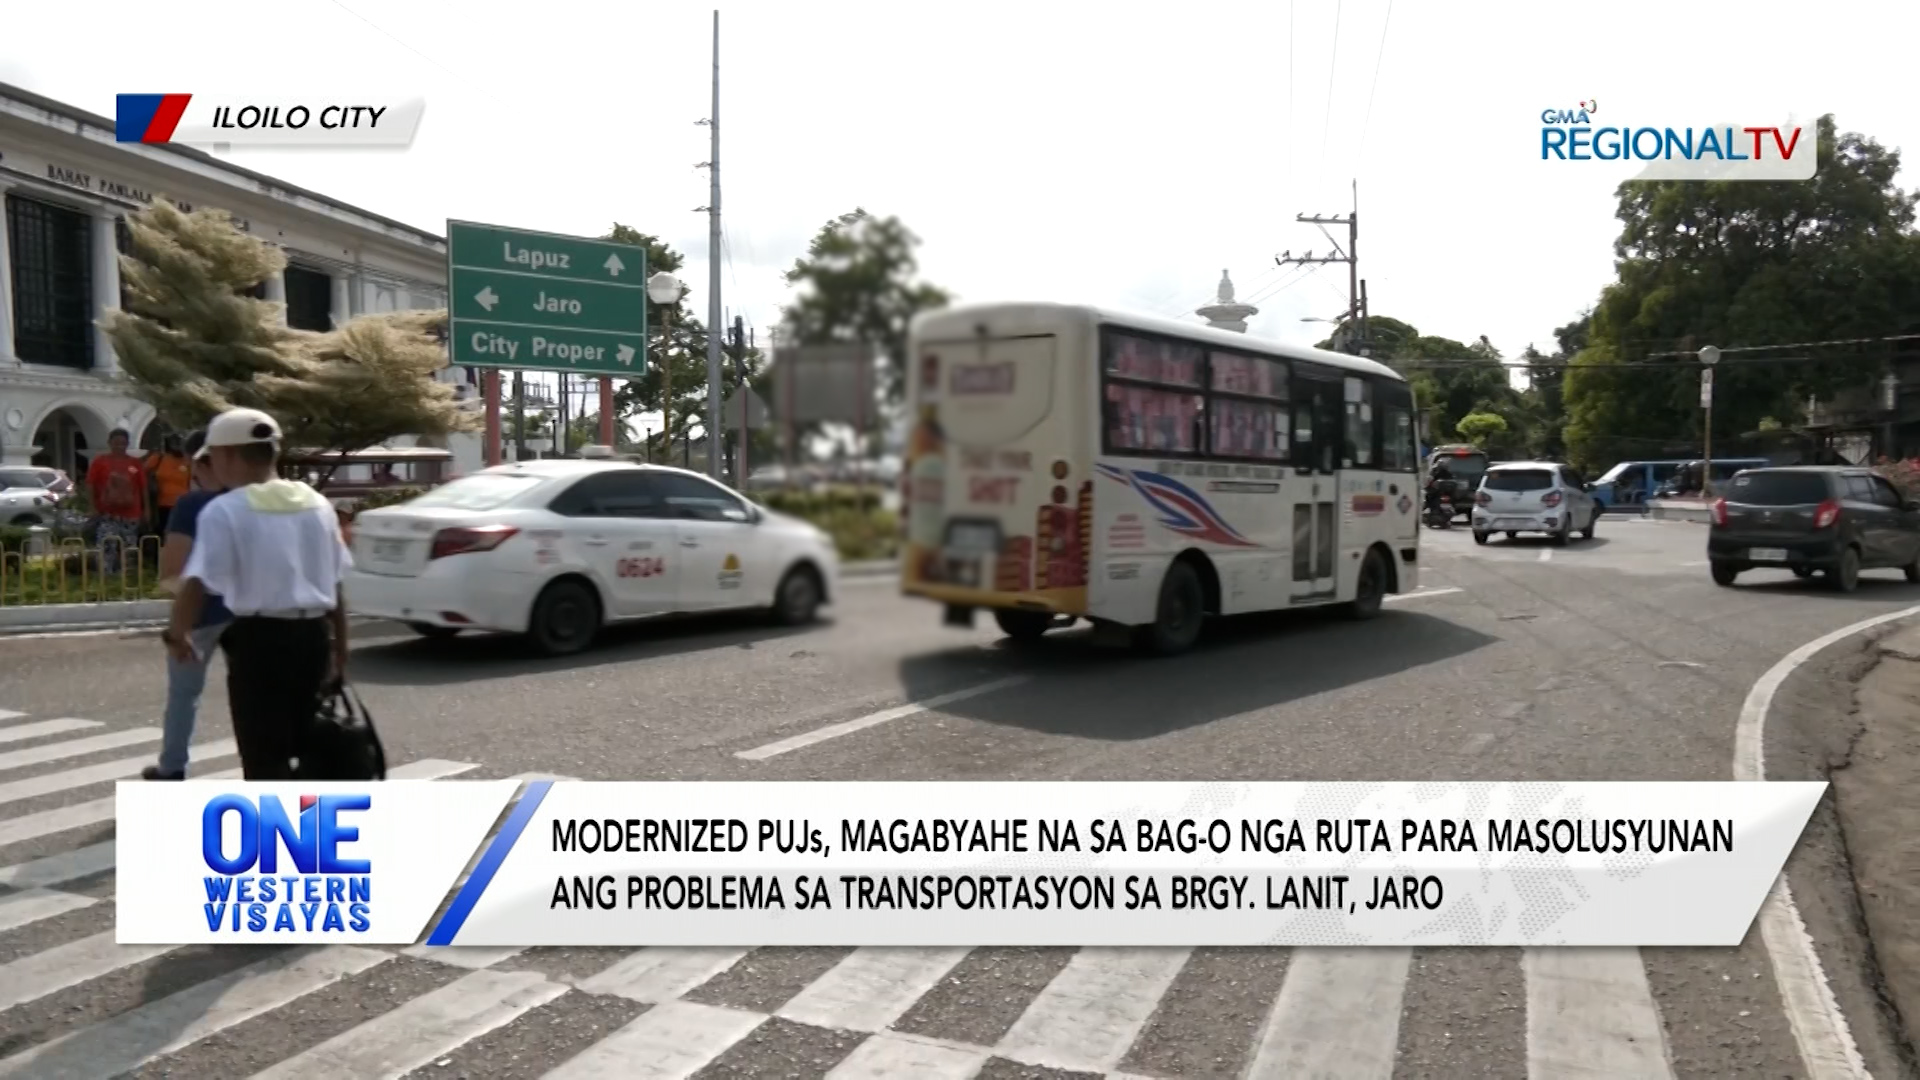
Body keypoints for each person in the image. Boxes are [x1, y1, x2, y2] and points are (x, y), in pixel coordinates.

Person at [167, 408, 352, 780]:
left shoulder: (225, 510)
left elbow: (198, 581)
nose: (211, 465)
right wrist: (341, 648)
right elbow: (335, 584)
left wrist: (177, 633)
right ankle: (314, 832)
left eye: (212, 456)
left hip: (260, 644)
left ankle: (276, 834)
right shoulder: (317, 505)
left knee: (264, 755)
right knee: (311, 748)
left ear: (231, 454)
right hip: (314, 639)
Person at [146, 431, 232, 781]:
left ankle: (172, 766)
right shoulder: (249, 502)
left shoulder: (191, 505)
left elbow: (174, 572)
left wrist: (178, 624)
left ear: (196, 461)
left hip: (199, 616)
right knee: (254, 697)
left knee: (183, 694)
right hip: (249, 614)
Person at [86, 428, 147, 575]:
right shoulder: (100, 462)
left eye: (123, 443)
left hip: (131, 514)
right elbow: (90, 485)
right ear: (109, 443)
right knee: (107, 545)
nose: (119, 446)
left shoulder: (135, 463)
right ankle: (107, 577)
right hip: (107, 513)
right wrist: (92, 507)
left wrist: (147, 510)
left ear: (127, 444)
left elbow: (142, 487)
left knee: (128, 548)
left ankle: (127, 579)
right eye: (116, 442)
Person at [143, 436, 192, 538]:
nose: (178, 447)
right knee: (163, 532)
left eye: (181, 444)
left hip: (182, 504)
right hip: (161, 505)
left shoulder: (187, 461)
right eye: (175, 444)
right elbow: (142, 472)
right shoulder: (159, 458)